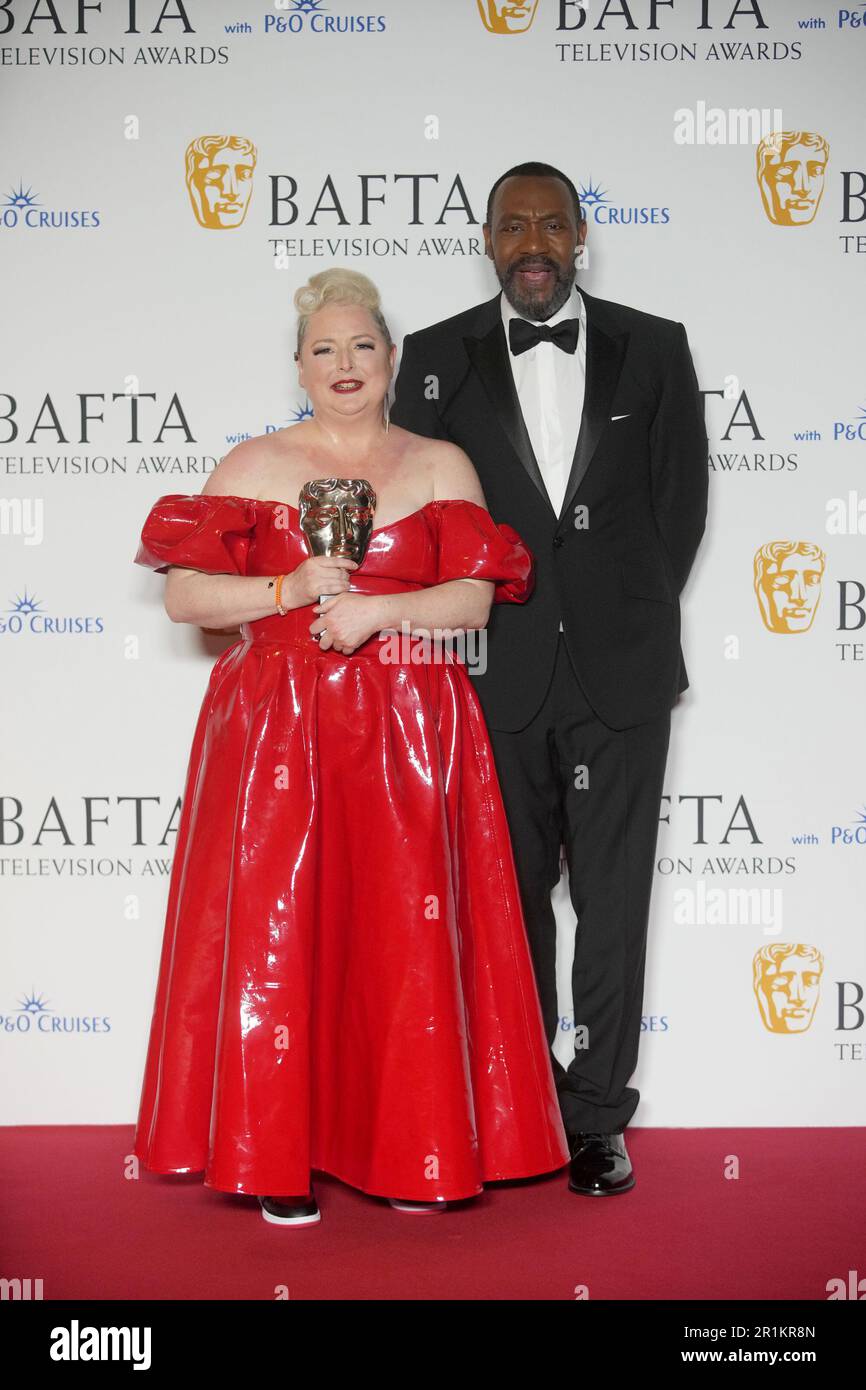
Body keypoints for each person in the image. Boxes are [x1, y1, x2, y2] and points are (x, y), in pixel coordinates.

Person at [132, 267, 569, 1226]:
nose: (344, 364)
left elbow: (472, 602)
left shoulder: (441, 463)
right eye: (324, 348)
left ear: (391, 360)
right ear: (297, 364)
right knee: (283, 936)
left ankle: (418, 1151)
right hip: (278, 725)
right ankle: (274, 1158)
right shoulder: (250, 465)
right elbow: (188, 598)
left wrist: (378, 612)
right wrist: (288, 594)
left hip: (413, 720)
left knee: (402, 940)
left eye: (362, 346)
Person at [391, 162, 708, 1196]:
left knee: (612, 902)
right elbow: (425, 523)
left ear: (581, 235)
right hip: (494, 672)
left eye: (551, 223)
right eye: (511, 224)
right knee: (506, 902)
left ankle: (596, 1118)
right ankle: (522, 1104)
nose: (532, 241)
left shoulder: (652, 347)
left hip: (619, 672)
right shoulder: (434, 358)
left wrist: (624, 612)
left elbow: (677, 510)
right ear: (485, 241)